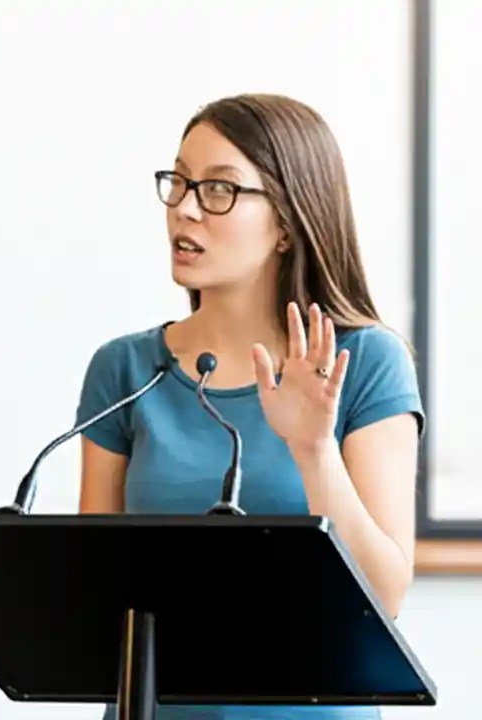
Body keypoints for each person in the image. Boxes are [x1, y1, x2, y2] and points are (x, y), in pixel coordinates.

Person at [77, 94, 422, 720]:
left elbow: (386, 594)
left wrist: (314, 449)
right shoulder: (124, 372)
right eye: (178, 183)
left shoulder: (365, 362)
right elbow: (97, 599)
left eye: (219, 190)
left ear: (288, 223)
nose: (184, 208)